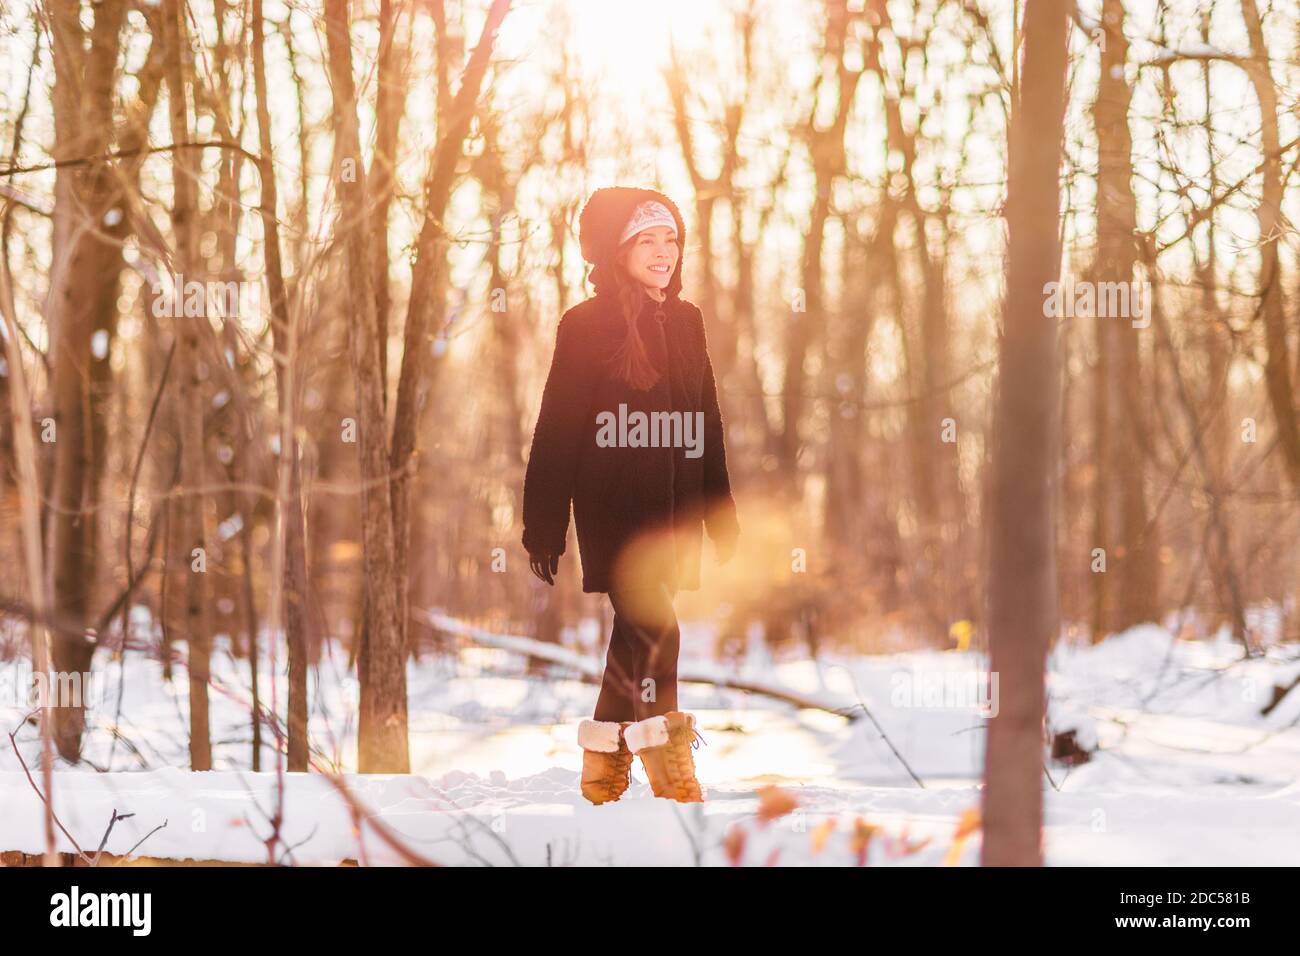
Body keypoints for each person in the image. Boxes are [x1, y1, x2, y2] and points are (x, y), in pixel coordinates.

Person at [521, 186, 740, 804]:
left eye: (670, 238)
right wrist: (543, 525)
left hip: (673, 512)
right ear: (618, 250)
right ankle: (673, 779)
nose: (663, 251)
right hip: (612, 510)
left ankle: (601, 776)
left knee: (633, 637)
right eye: (647, 238)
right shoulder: (585, 326)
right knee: (658, 630)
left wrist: (720, 518)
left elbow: (707, 424)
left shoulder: (688, 320)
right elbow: (557, 428)